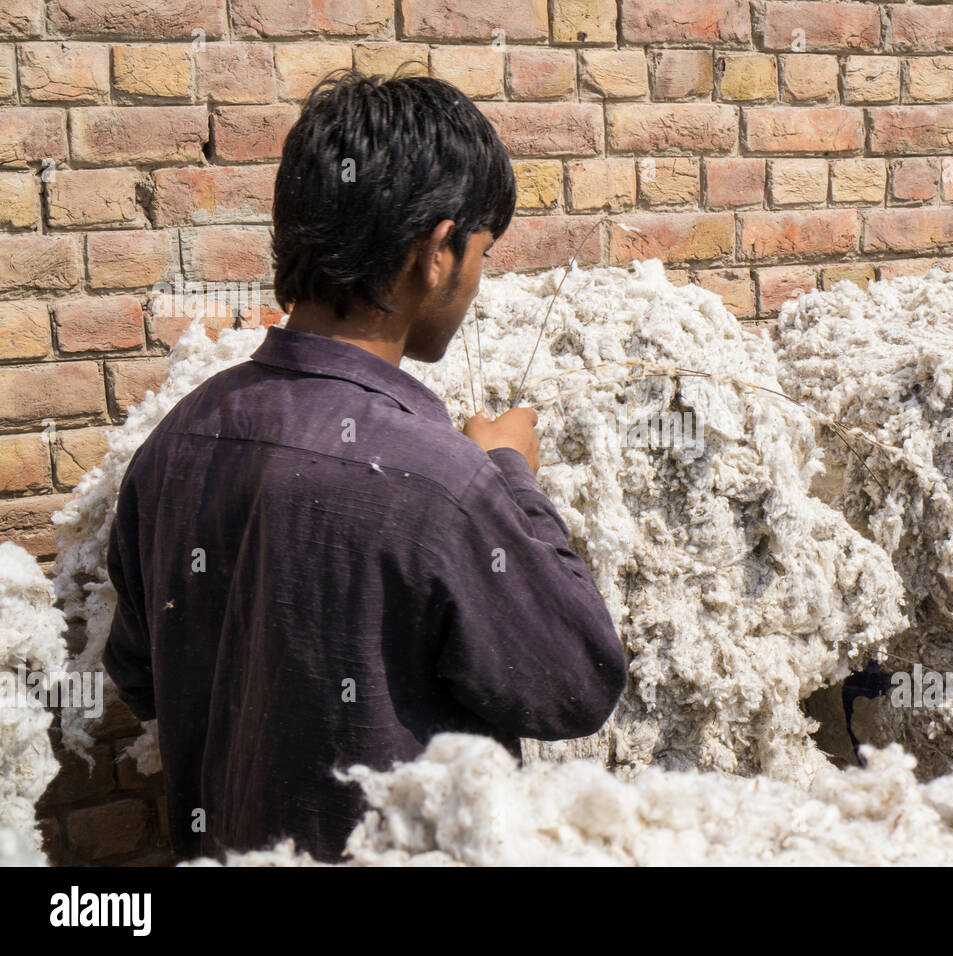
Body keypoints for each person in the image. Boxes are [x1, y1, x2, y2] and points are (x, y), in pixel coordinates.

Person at [102, 70, 627, 864]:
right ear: (435, 254)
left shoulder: (178, 441)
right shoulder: (444, 482)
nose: (477, 280)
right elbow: (576, 684)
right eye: (480, 252)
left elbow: (141, 678)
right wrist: (514, 476)